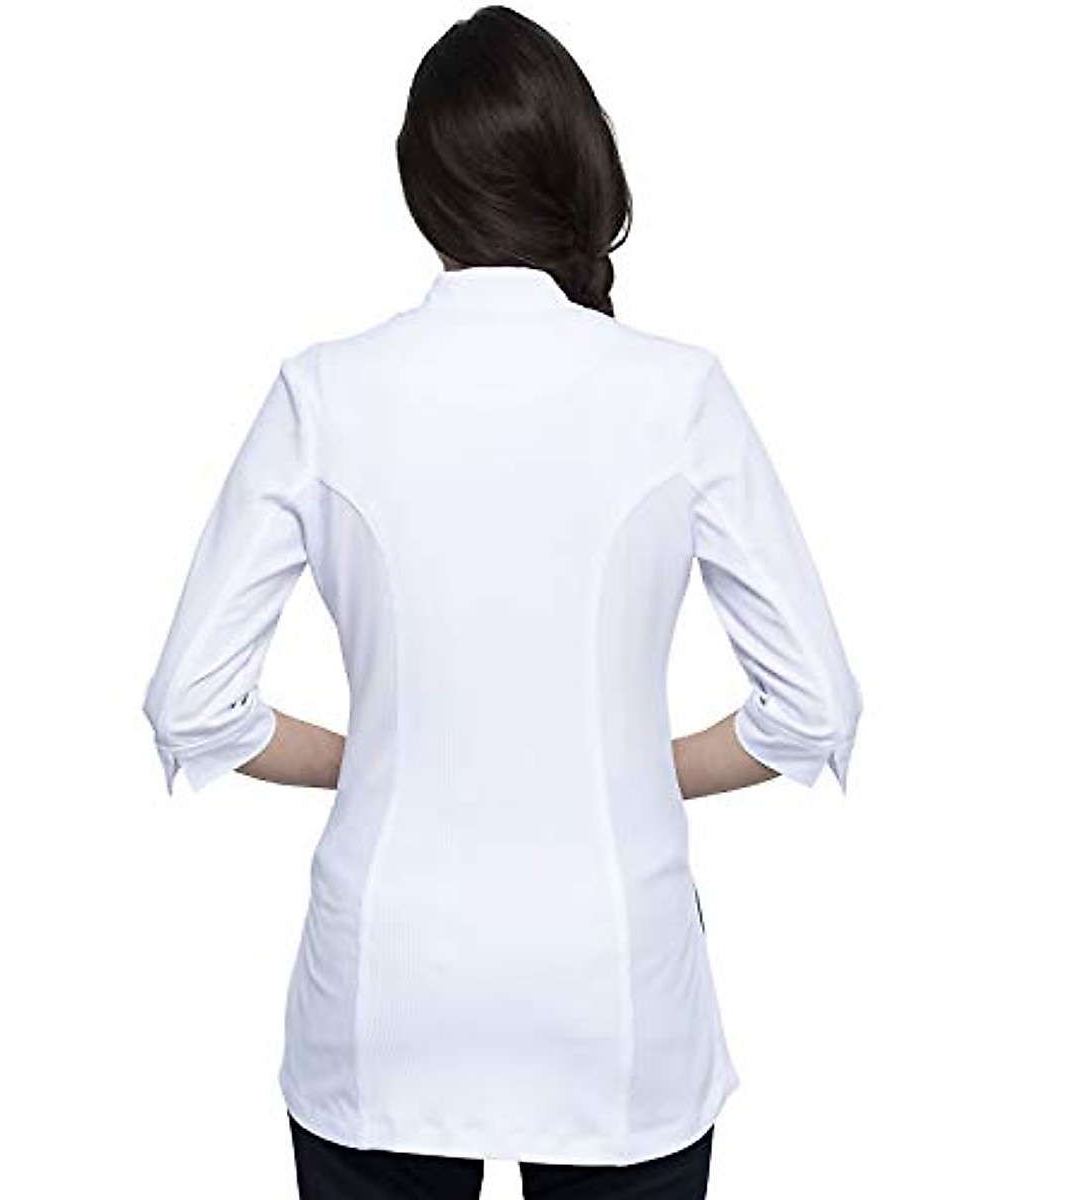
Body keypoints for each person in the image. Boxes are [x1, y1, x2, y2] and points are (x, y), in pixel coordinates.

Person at [141, 5, 864, 1197]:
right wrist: (620, 769)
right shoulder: (678, 393)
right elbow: (815, 709)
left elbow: (191, 707)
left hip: (385, 1001)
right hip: (614, 999)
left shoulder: (324, 393)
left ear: (422, 188)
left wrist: (383, 758)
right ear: (584, 172)